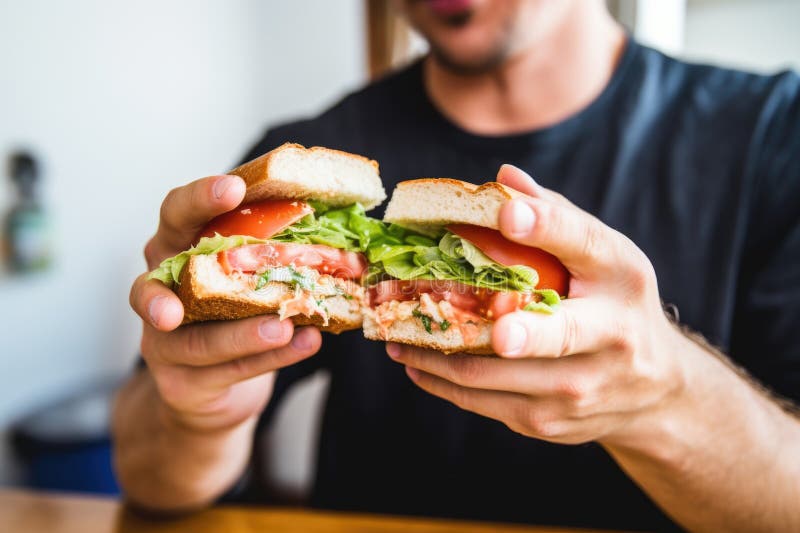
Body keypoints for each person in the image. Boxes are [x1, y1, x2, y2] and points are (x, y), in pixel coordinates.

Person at [114, 0, 800, 530]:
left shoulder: (773, 134)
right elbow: (145, 480)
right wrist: (198, 419)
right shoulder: (303, 156)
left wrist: (669, 393)